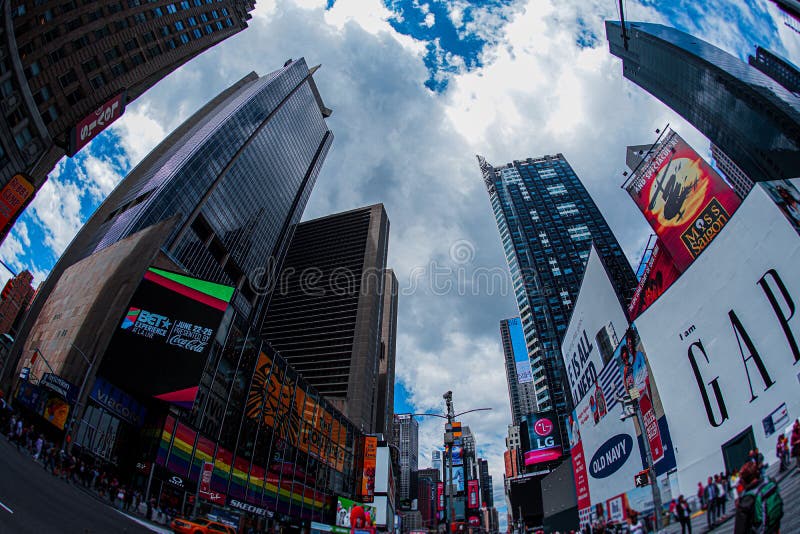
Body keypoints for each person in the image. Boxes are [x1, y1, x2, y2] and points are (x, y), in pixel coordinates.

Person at [733, 461, 783, 534]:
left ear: (743, 481)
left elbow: (739, 531)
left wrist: (739, 508)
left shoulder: (746, 501)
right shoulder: (769, 482)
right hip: (774, 526)